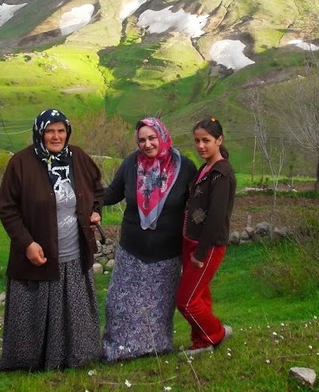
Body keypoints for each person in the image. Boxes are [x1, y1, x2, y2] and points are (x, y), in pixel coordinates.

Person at [0, 108, 104, 371]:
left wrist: (95, 212)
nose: (56, 137)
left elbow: (98, 189)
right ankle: (29, 362)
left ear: (67, 133)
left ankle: (76, 358)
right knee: (32, 313)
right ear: (39, 132)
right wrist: (27, 244)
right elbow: (7, 208)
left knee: (74, 313)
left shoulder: (78, 157)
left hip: (74, 253)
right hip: (38, 254)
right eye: (49, 131)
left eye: (61, 131)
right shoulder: (21, 163)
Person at [101, 117, 197, 363]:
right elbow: (112, 193)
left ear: (162, 136)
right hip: (131, 251)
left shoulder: (184, 167)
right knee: (119, 304)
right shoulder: (131, 164)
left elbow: (197, 206)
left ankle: (155, 348)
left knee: (157, 307)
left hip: (167, 254)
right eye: (142, 140)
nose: (147, 144)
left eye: (152, 138)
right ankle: (119, 349)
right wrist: (85, 197)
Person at [176, 117, 237, 356]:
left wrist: (200, 252)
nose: (201, 146)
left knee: (186, 301)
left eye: (207, 141)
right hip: (191, 242)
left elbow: (216, 217)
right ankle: (201, 342)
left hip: (207, 246)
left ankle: (217, 333)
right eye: (197, 141)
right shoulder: (206, 168)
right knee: (199, 296)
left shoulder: (222, 174)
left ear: (219, 140)